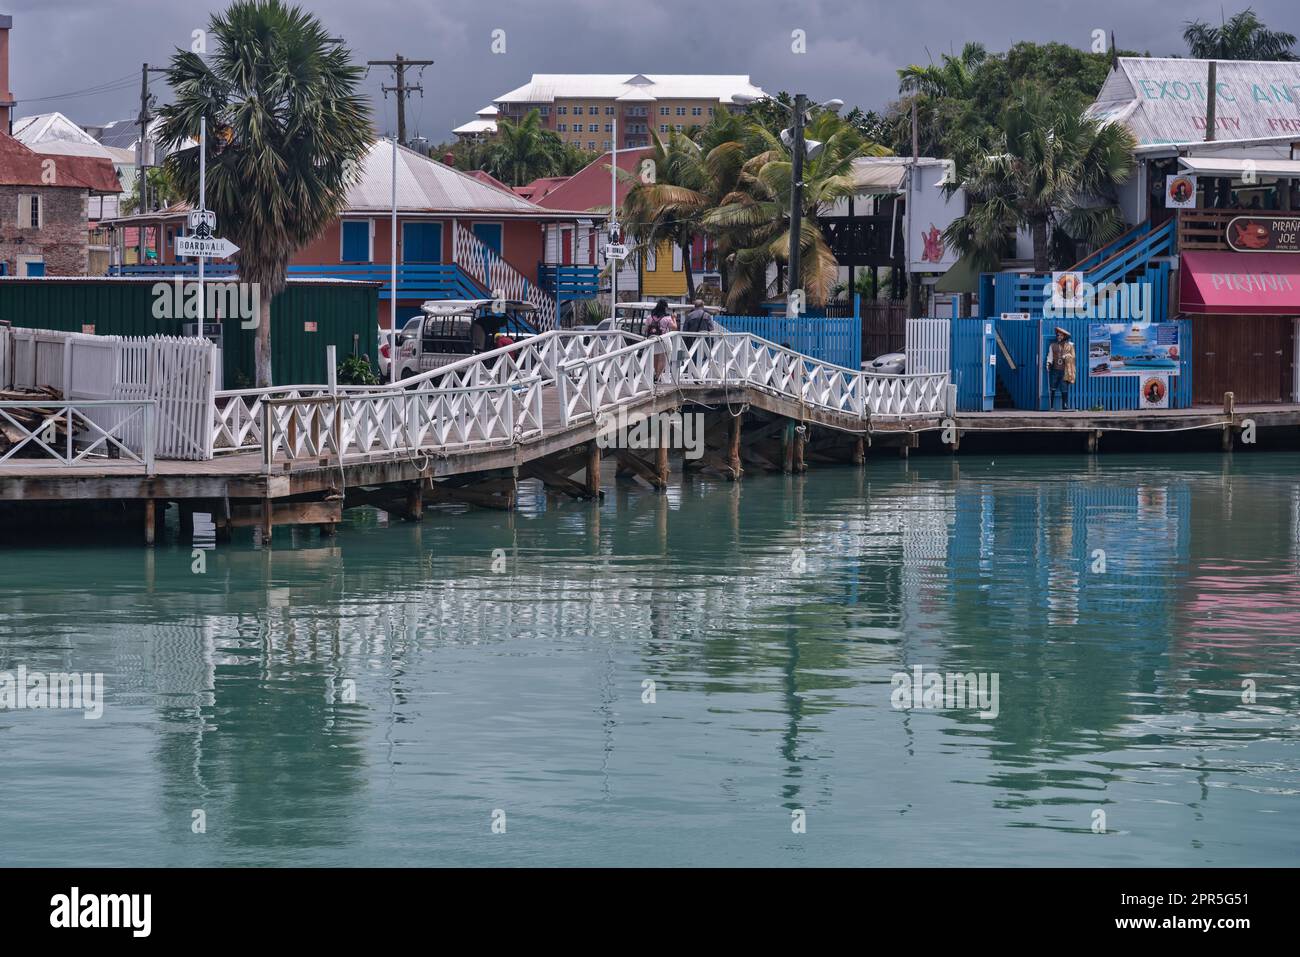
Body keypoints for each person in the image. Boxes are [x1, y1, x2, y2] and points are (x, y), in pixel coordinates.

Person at [644, 299, 677, 381]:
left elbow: (645, 329)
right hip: (664, 340)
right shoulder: (667, 318)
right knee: (663, 359)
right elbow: (674, 327)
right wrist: (674, 318)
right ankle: (657, 376)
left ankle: (655, 372)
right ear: (665, 308)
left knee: (655, 358)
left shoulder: (649, 317)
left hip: (653, 340)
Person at [1045, 326, 1076, 411]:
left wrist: (1066, 356)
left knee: (1064, 387)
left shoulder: (1069, 346)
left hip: (1064, 370)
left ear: (1064, 336)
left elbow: (1073, 356)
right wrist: (1048, 363)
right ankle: (1051, 406)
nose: (1059, 337)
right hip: (1055, 370)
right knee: (1053, 387)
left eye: (1061, 335)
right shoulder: (1053, 345)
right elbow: (1050, 356)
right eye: (1058, 335)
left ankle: (1064, 405)